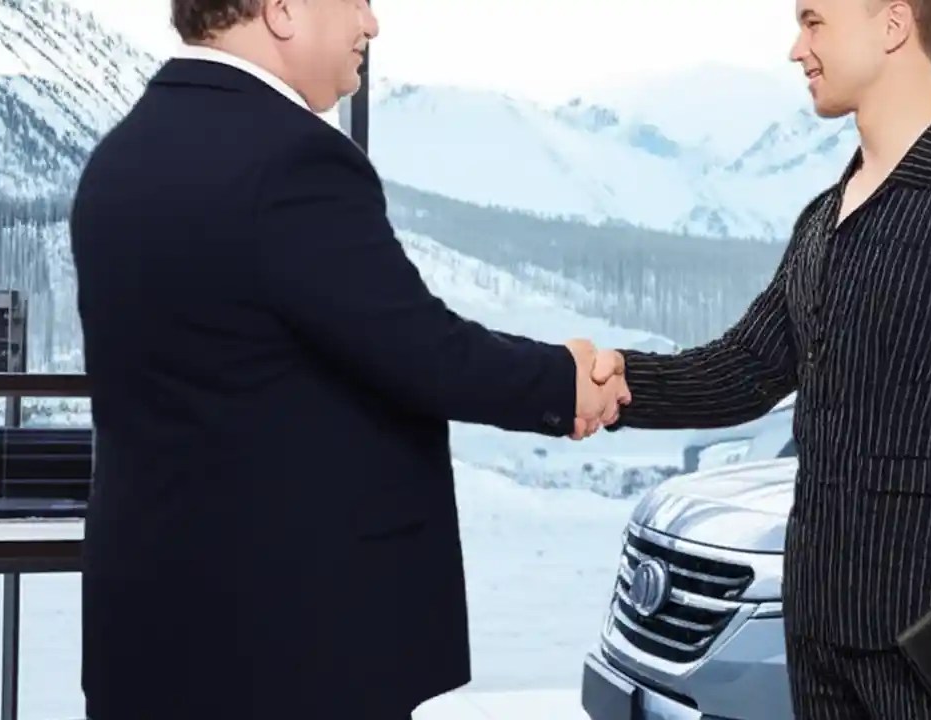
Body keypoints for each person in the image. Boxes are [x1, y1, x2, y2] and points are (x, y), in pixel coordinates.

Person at [70, 1, 627, 718]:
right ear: (281, 11)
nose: (372, 23)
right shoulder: (290, 157)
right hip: (284, 650)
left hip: (147, 637)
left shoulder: (121, 156)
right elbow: (420, 349)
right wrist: (564, 380)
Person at [590, 0, 931, 717]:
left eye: (814, 21)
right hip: (818, 619)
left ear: (890, 25)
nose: (797, 48)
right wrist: (612, 380)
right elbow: (745, 367)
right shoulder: (824, 217)